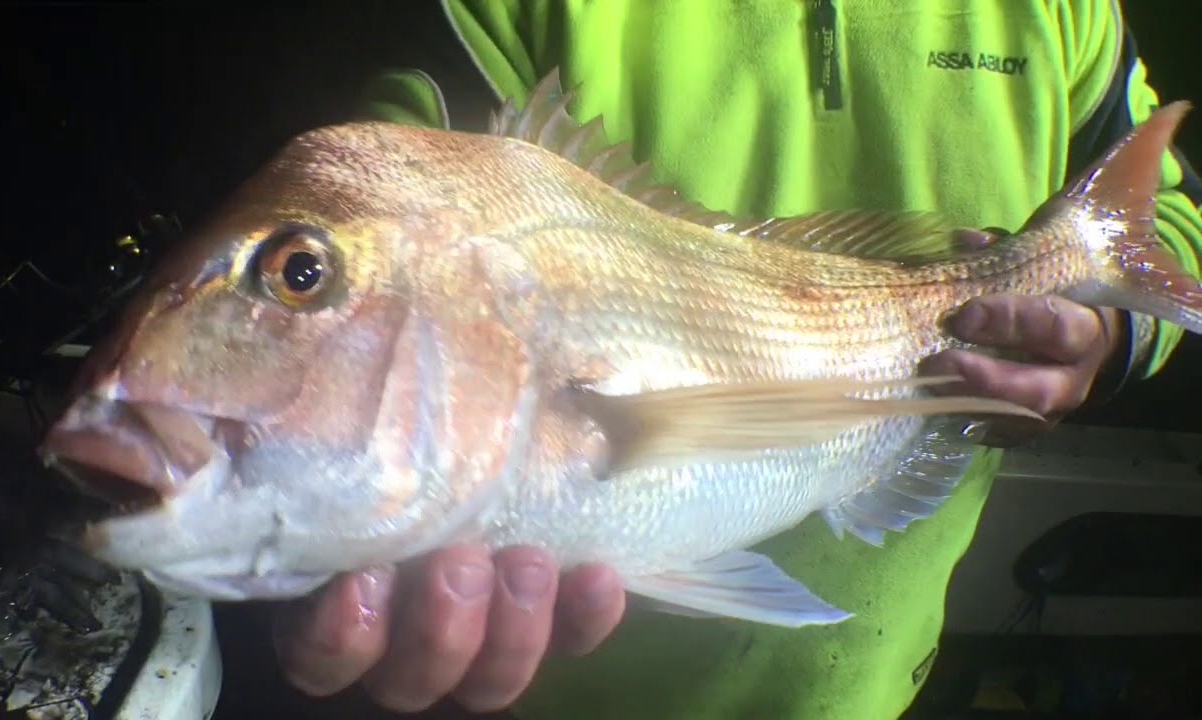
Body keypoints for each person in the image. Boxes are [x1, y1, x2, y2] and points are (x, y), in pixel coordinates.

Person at [270, 1, 1202, 718]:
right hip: (546, 694)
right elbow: (378, 204)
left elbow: (1171, 218)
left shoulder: (1068, 12)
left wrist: (1106, 342)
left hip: (877, 681)